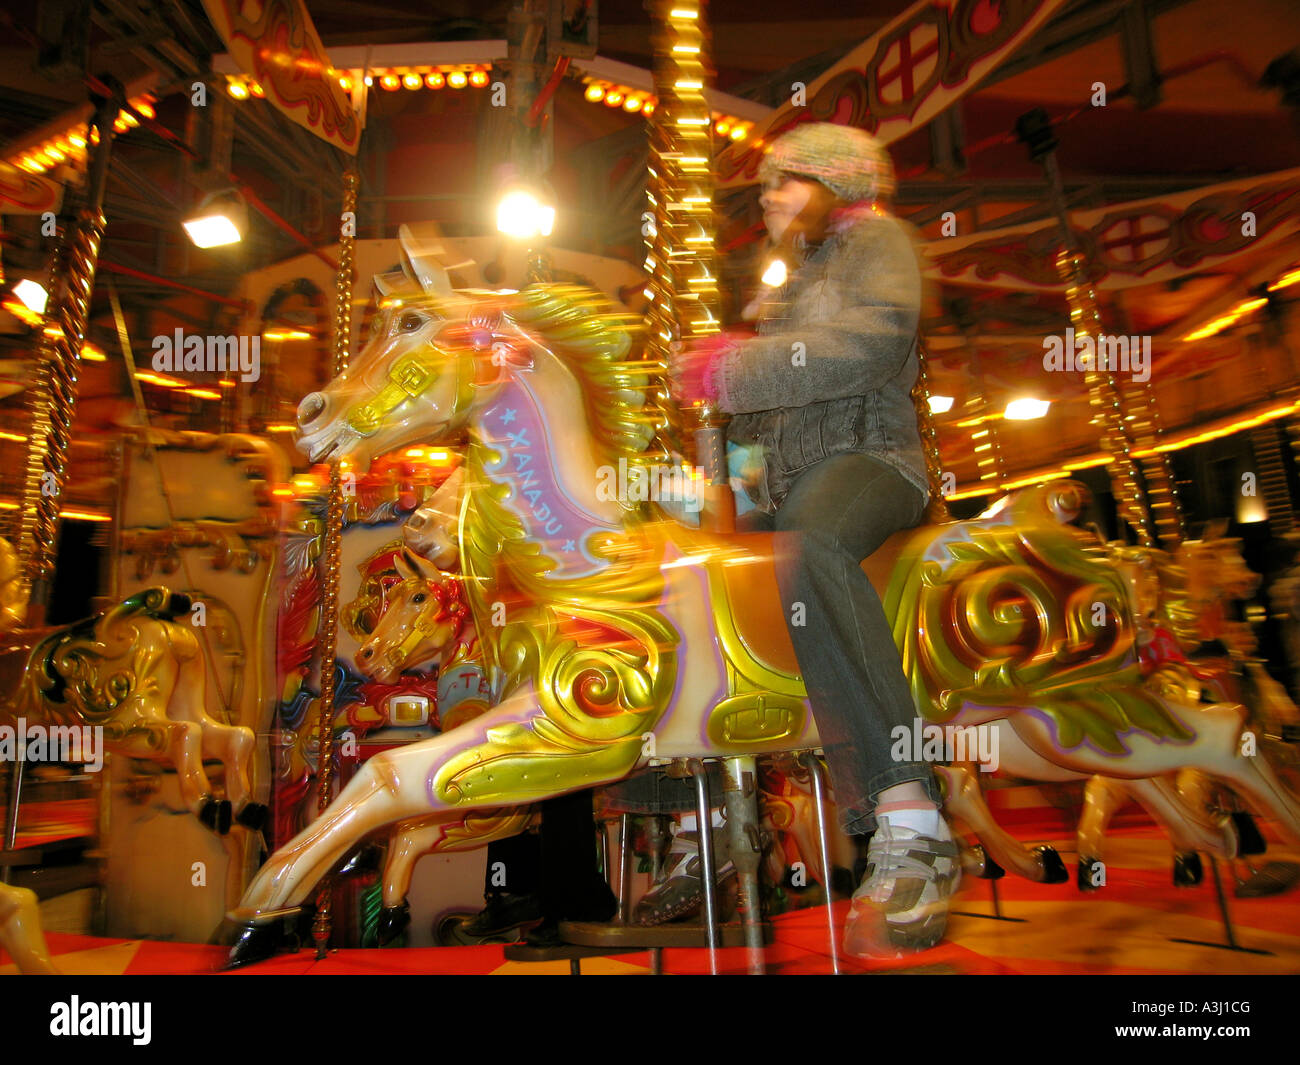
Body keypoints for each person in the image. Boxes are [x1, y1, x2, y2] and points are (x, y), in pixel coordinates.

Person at [669, 121, 960, 957]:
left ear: (834, 185)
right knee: (689, 573)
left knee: (809, 543)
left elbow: (867, 349)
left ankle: (911, 813)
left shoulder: (880, 242)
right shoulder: (790, 283)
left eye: (784, 181)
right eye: (764, 185)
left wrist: (740, 367)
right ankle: (705, 815)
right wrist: (709, 436)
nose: (766, 197)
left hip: (872, 461)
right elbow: (757, 416)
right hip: (793, 481)